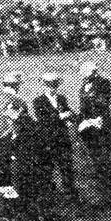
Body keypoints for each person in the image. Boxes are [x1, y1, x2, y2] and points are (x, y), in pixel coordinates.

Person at [32, 72, 79, 200]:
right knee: (48, 169)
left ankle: (70, 194)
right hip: (48, 140)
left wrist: (73, 117)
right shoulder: (38, 101)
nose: (51, 87)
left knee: (66, 168)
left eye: (54, 85)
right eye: (48, 85)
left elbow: (70, 112)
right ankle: (50, 197)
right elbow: (43, 120)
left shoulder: (61, 99)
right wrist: (61, 116)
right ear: (44, 85)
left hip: (62, 139)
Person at [76, 61, 111, 200]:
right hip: (88, 127)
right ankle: (104, 190)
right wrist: (82, 120)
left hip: (102, 125)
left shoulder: (103, 83)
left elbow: (103, 103)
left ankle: (109, 192)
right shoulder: (83, 86)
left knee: (103, 158)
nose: (86, 76)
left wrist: (93, 118)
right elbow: (83, 107)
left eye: (89, 73)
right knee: (96, 159)